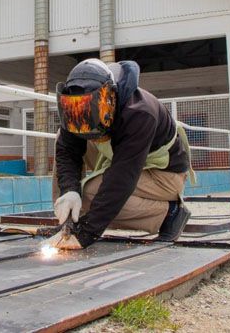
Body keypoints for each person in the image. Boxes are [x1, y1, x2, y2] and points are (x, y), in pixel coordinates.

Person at [47, 58, 192, 250]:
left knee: (92, 193)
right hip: (117, 155)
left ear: (109, 98)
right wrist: (69, 190)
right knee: (63, 138)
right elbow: (68, 150)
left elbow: (121, 178)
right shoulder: (76, 108)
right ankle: (66, 220)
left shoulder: (140, 113)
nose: (84, 126)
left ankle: (169, 213)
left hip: (164, 174)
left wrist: (86, 234)